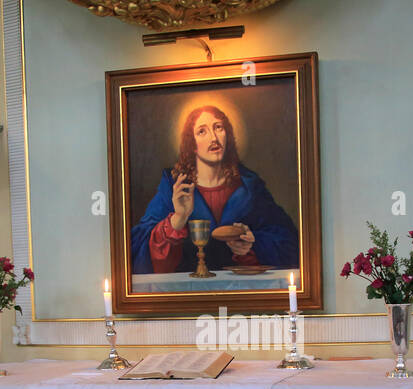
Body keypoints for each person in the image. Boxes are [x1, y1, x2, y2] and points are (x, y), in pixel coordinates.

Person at [129, 104, 300, 275]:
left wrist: (253, 243)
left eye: (218, 128)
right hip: (188, 294)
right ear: (192, 143)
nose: (214, 138)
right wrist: (178, 218)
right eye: (202, 131)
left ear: (228, 135)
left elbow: (288, 241)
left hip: (242, 292)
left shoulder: (250, 187)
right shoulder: (174, 186)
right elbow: (138, 246)